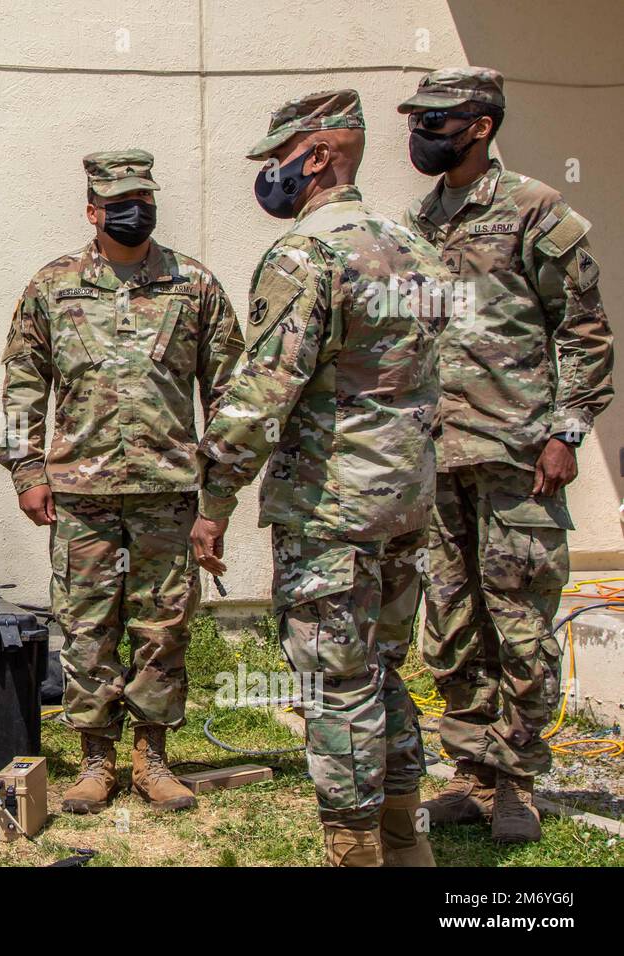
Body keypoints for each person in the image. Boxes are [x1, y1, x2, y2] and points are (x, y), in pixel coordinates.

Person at [191, 91, 452, 865]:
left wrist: (214, 497)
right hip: (404, 504)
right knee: (381, 671)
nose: (271, 175)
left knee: (335, 687)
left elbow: (264, 392)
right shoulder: (413, 247)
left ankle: (356, 850)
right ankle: (408, 843)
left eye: (280, 158)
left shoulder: (307, 255)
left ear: (320, 156)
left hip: (332, 511)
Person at [398, 68, 614, 843]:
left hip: (517, 453)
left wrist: (567, 433)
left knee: (518, 623)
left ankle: (517, 780)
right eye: (418, 119)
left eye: (436, 120)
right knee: (451, 626)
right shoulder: (420, 219)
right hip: (436, 456)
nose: (421, 133)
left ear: (480, 126)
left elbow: (584, 332)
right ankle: (471, 772)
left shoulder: (536, 211)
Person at [0, 150, 244, 814]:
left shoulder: (194, 286)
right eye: (119, 201)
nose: (135, 210)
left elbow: (229, 397)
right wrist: (27, 468)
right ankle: (96, 761)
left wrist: (217, 498)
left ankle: (152, 757)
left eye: (144, 198)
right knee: (86, 627)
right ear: (93, 211)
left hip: (168, 493)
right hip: (82, 496)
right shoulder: (53, 286)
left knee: (163, 627)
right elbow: (24, 383)